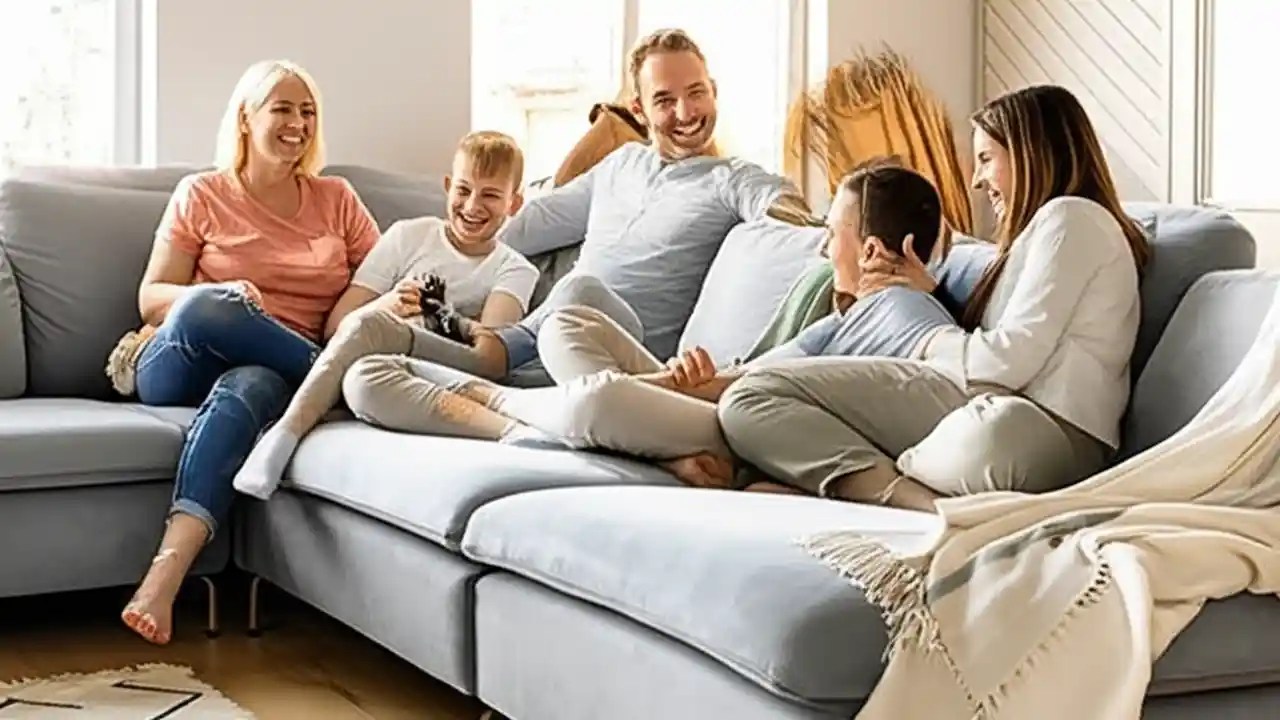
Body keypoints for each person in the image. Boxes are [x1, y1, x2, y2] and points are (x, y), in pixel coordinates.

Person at [340, 28, 813, 479]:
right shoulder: (620, 164)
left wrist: (830, 230)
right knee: (366, 378)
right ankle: (534, 424)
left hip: (618, 360)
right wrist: (446, 252)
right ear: (640, 109)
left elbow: (783, 207)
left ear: (714, 90)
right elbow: (521, 228)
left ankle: (508, 363)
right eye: (665, 100)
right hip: (542, 364)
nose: (686, 111)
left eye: (696, 93)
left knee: (582, 288)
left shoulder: (730, 179)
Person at [382, 162, 954, 488]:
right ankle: (657, 455)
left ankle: (496, 400)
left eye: (833, 232)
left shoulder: (907, 314)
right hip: (708, 398)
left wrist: (687, 385)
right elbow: (759, 371)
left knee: (598, 404)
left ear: (877, 250)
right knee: (567, 322)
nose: (823, 245)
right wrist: (684, 378)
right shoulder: (845, 307)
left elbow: (777, 398)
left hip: (737, 431)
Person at [716, 84, 1152, 511]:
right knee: (753, 398)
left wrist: (927, 338)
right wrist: (932, 293)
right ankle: (881, 486)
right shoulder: (1039, 235)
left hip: (1040, 428)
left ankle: (888, 492)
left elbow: (1008, 362)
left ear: (1029, 153)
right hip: (1005, 412)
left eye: (986, 159)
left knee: (753, 397)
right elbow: (1008, 346)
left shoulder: (1071, 218)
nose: (979, 181)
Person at [107, 60, 381, 645]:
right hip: (181, 359)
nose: (298, 123)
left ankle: (165, 577)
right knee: (211, 308)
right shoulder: (202, 193)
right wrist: (222, 296)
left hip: (269, 372)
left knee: (252, 386)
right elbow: (153, 297)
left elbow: (385, 274)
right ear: (245, 118)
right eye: (282, 108)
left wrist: (367, 305)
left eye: (308, 111)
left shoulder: (337, 198)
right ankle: (328, 382)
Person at [232, 130, 539, 499]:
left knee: (369, 329)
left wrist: (439, 316)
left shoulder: (515, 269)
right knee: (361, 376)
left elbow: (487, 354)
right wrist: (391, 303)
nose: (473, 206)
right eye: (463, 189)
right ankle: (296, 429)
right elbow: (337, 328)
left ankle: (285, 433)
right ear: (447, 186)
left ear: (514, 203)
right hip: (375, 363)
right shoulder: (407, 237)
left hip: (442, 370)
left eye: (490, 195)